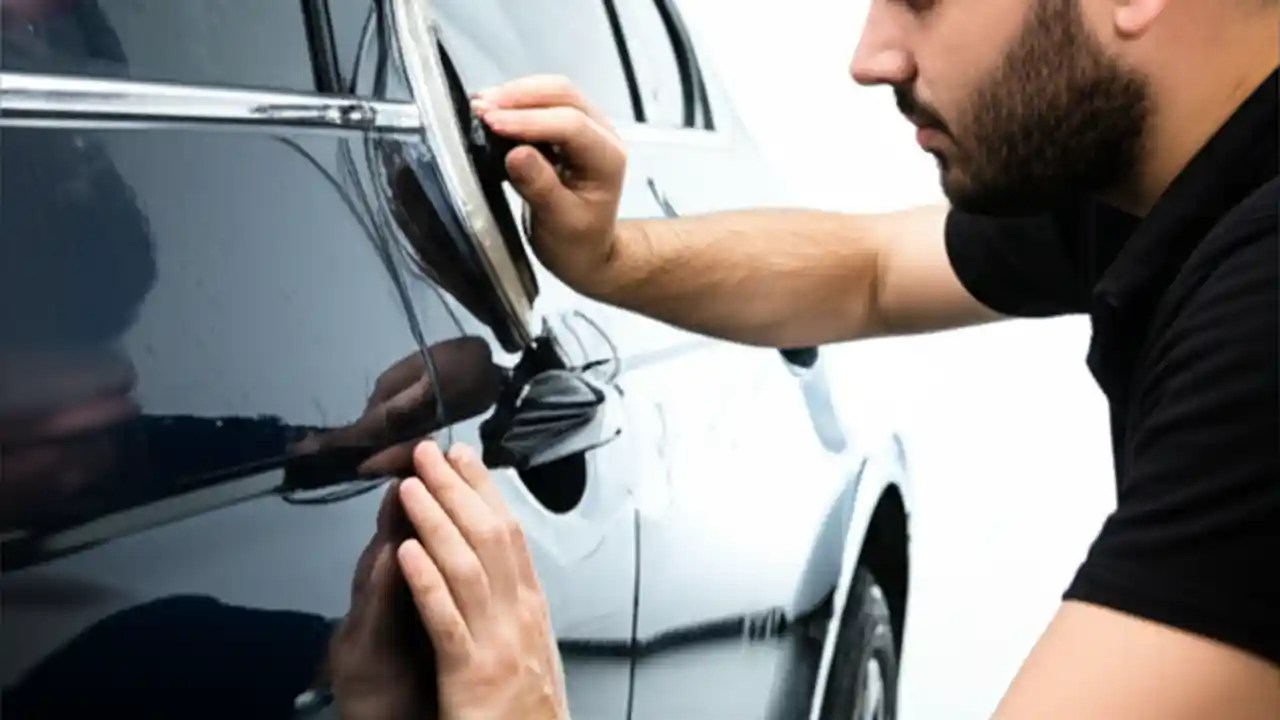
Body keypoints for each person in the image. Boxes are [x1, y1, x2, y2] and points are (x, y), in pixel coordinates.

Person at [403, 0, 1275, 717]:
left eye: (921, 1)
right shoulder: (1176, 176)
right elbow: (874, 275)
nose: (872, 56)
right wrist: (609, 259)